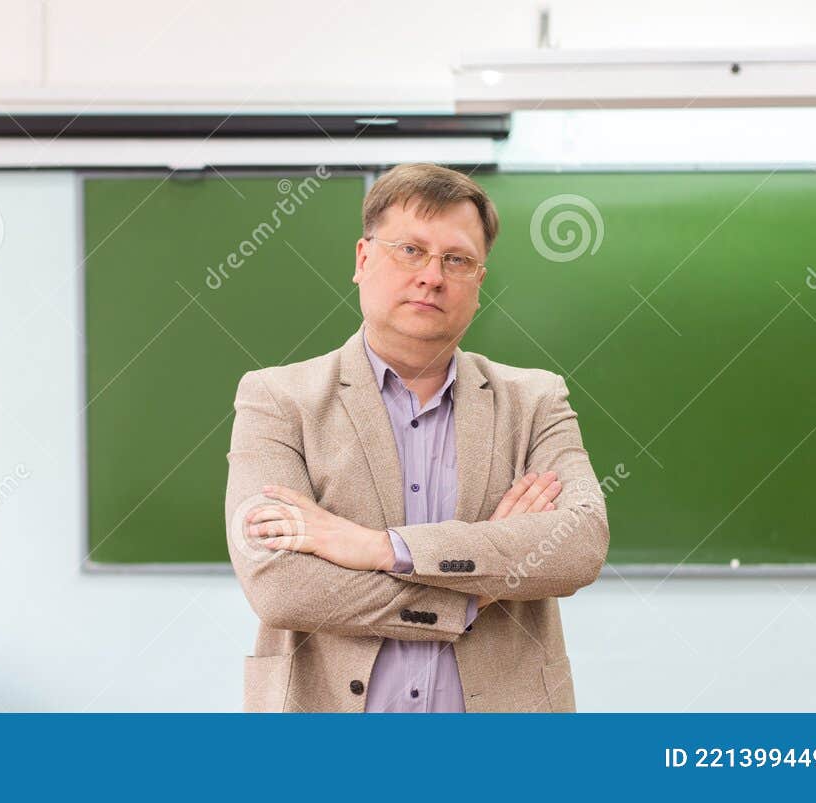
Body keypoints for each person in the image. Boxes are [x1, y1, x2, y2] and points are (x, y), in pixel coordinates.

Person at [225, 163, 609, 712]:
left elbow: (578, 546)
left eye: (457, 259)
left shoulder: (535, 400)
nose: (432, 275)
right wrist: (479, 588)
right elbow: (281, 587)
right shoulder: (276, 399)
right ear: (362, 259)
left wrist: (380, 548)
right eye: (410, 250)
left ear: (479, 281)